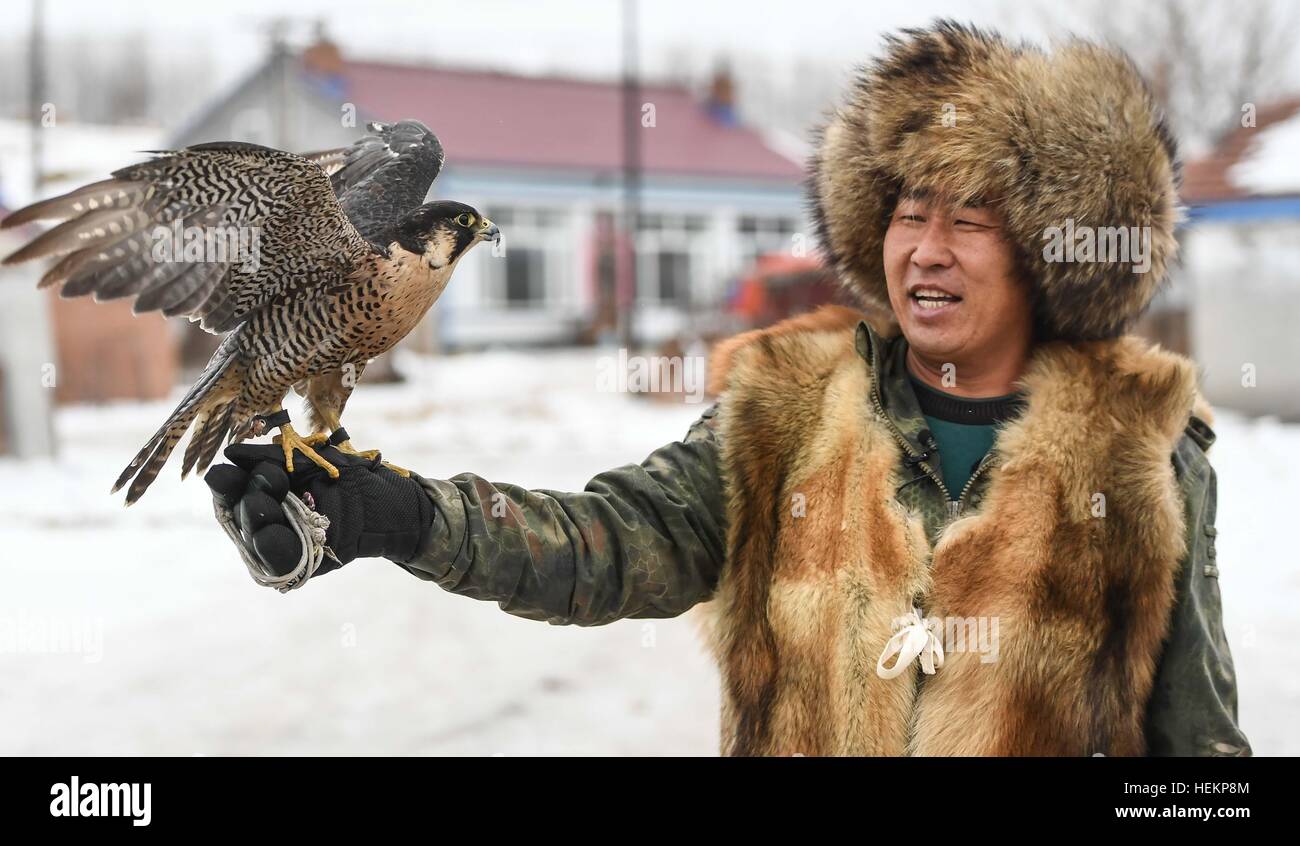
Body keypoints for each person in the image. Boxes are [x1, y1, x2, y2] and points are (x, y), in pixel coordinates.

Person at [206, 20, 1250, 756]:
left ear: (1040, 248)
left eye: (966, 220)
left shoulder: (1140, 454)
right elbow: (612, 543)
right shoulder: (788, 409)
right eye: (905, 214)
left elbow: (1197, 749)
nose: (924, 251)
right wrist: (402, 516)